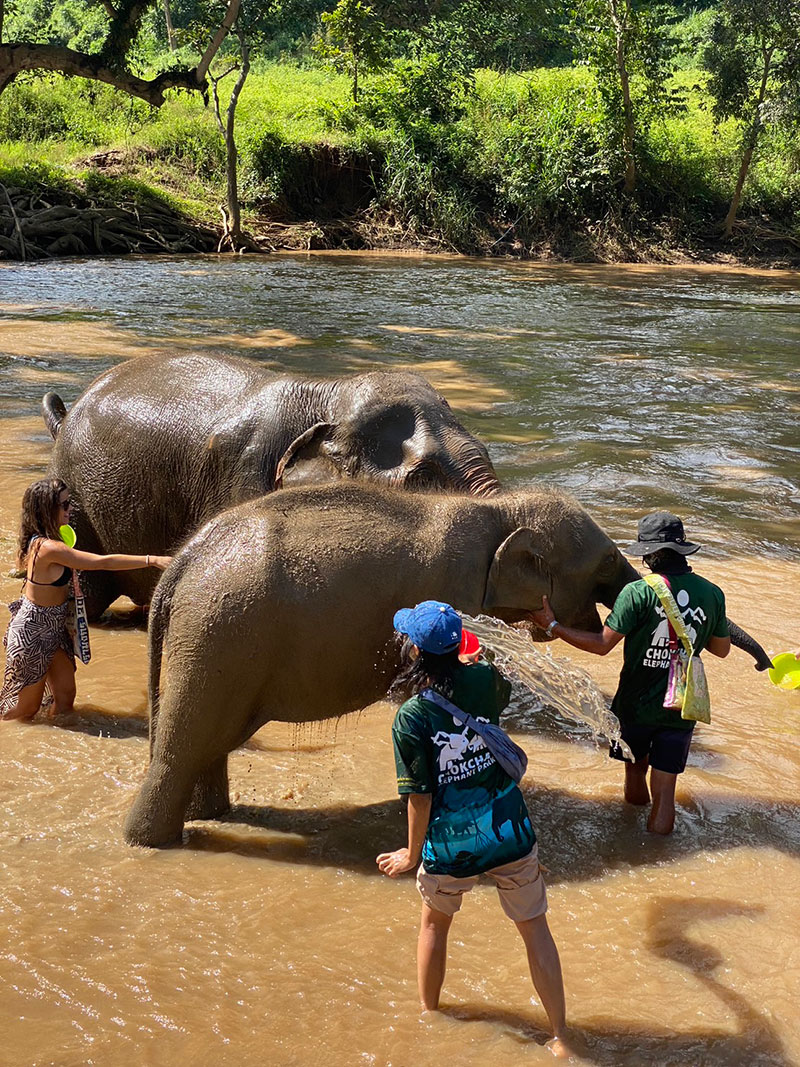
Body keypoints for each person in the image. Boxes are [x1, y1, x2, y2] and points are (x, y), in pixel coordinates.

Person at [376, 600, 569, 1056]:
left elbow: (419, 797)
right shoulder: (486, 680)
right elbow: (493, 687)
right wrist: (473, 663)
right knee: (535, 929)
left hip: (451, 845)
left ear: (415, 652)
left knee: (434, 926)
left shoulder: (411, 718)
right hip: (509, 832)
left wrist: (410, 853)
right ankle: (561, 1037)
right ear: (459, 643)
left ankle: (428, 1019)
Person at [532, 511, 731, 835]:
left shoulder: (637, 593)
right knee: (665, 791)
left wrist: (553, 626)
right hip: (681, 705)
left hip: (635, 705)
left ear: (650, 555)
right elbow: (721, 650)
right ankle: (658, 856)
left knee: (635, 773)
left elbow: (601, 645)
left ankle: (629, 844)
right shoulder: (711, 593)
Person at [1, 478, 171, 722]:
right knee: (24, 712)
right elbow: (102, 562)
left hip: (54, 629)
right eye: (65, 504)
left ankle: (55, 745)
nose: (71, 509)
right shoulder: (48, 548)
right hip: (33, 632)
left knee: (65, 697)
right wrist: (151, 559)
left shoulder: (45, 540)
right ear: (48, 509)